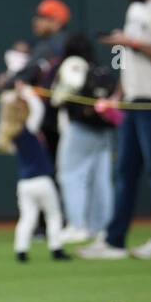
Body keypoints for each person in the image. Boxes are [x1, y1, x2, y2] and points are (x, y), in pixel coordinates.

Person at [82, 0, 151, 259]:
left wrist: (131, 43)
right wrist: (118, 94)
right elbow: (131, 61)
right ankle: (114, 240)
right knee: (126, 171)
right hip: (133, 98)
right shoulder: (135, 8)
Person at [50, 35, 118, 244]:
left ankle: (77, 225)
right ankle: (102, 228)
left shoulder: (72, 67)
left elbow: (57, 99)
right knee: (101, 180)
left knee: (71, 176)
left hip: (80, 129)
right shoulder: (102, 70)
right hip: (105, 132)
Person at [0, 84, 69, 263]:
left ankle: (21, 251)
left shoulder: (9, 135)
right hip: (42, 181)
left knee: (27, 217)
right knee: (54, 215)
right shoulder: (29, 130)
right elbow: (38, 108)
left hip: (24, 184)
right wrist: (27, 92)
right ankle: (56, 249)